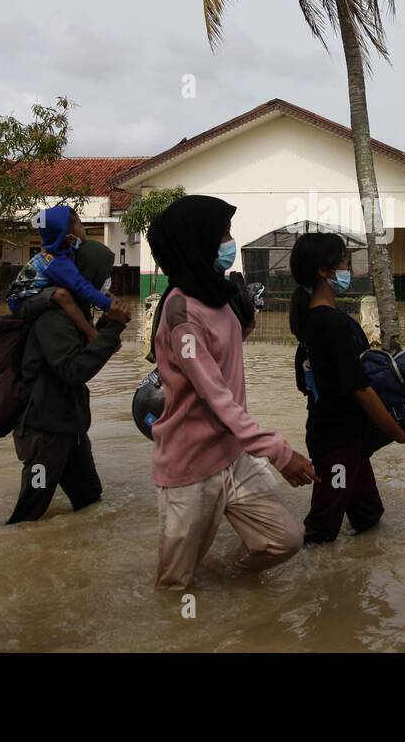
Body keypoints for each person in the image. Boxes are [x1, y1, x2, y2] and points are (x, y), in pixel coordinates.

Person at [147, 194, 316, 590]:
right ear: (197, 240)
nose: (229, 242)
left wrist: (246, 323)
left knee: (284, 540)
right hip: (190, 468)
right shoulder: (181, 313)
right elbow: (216, 396)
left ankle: (226, 581)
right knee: (175, 586)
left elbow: (224, 357)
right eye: (222, 233)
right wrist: (278, 451)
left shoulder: (216, 296)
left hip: (233, 454)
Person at [289, 232, 405, 545]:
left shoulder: (315, 320)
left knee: (368, 515)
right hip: (337, 441)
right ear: (324, 270)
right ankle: (309, 587)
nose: (351, 270)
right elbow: (359, 387)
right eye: (346, 263)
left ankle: (355, 578)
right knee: (322, 528)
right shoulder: (331, 324)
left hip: (345, 438)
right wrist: (399, 432)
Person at [6, 238, 131, 525]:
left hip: (68, 428)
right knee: (29, 512)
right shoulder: (54, 315)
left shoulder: (75, 312)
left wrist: (106, 326)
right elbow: (74, 369)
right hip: (44, 431)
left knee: (89, 500)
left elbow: (84, 354)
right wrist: (111, 327)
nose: (107, 281)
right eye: (103, 273)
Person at [8, 205, 117, 344]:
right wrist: (107, 304)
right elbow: (81, 286)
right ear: (69, 236)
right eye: (80, 225)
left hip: (31, 296)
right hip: (21, 303)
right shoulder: (56, 262)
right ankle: (91, 334)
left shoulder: (64, 252)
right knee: (62, 295)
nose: (84, 229)